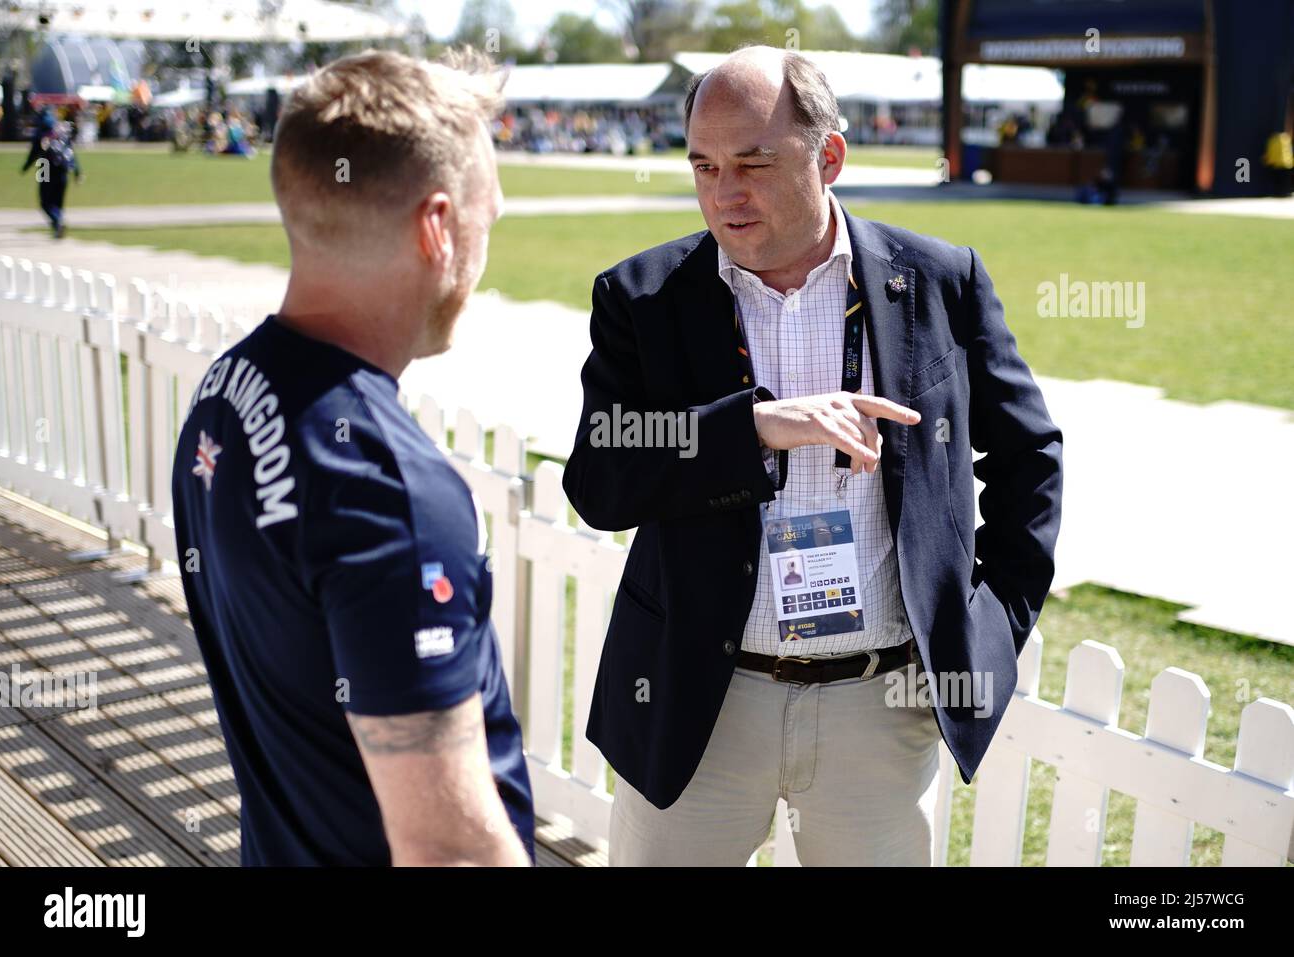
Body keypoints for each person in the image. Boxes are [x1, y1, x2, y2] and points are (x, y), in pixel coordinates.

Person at [563, 46, 1062, 866]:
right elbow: (600, 481)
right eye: (704, 165)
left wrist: (992, 620)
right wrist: (752, 426)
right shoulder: (641, 297)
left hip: (879, 704)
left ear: (828, 155)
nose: (725, 193)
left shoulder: (939, 280)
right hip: (701, 702)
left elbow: (1029, 455)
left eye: (753, 163)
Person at [172, 49, 534, 866]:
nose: (485, 249)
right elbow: (447, 849)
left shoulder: (227, 390)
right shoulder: (389, 494)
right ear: (438, 227)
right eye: (488, 217)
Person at [20, 110, 81, 239]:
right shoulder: (62, 134)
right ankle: (57, 222)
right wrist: (77, 172)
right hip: (63, 169)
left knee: (44, 201)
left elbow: (33, 155)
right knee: (58, 201)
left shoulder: (40, 135)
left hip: (44, 167)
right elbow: (71, 154)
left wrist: (25, 168)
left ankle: (56, 222)